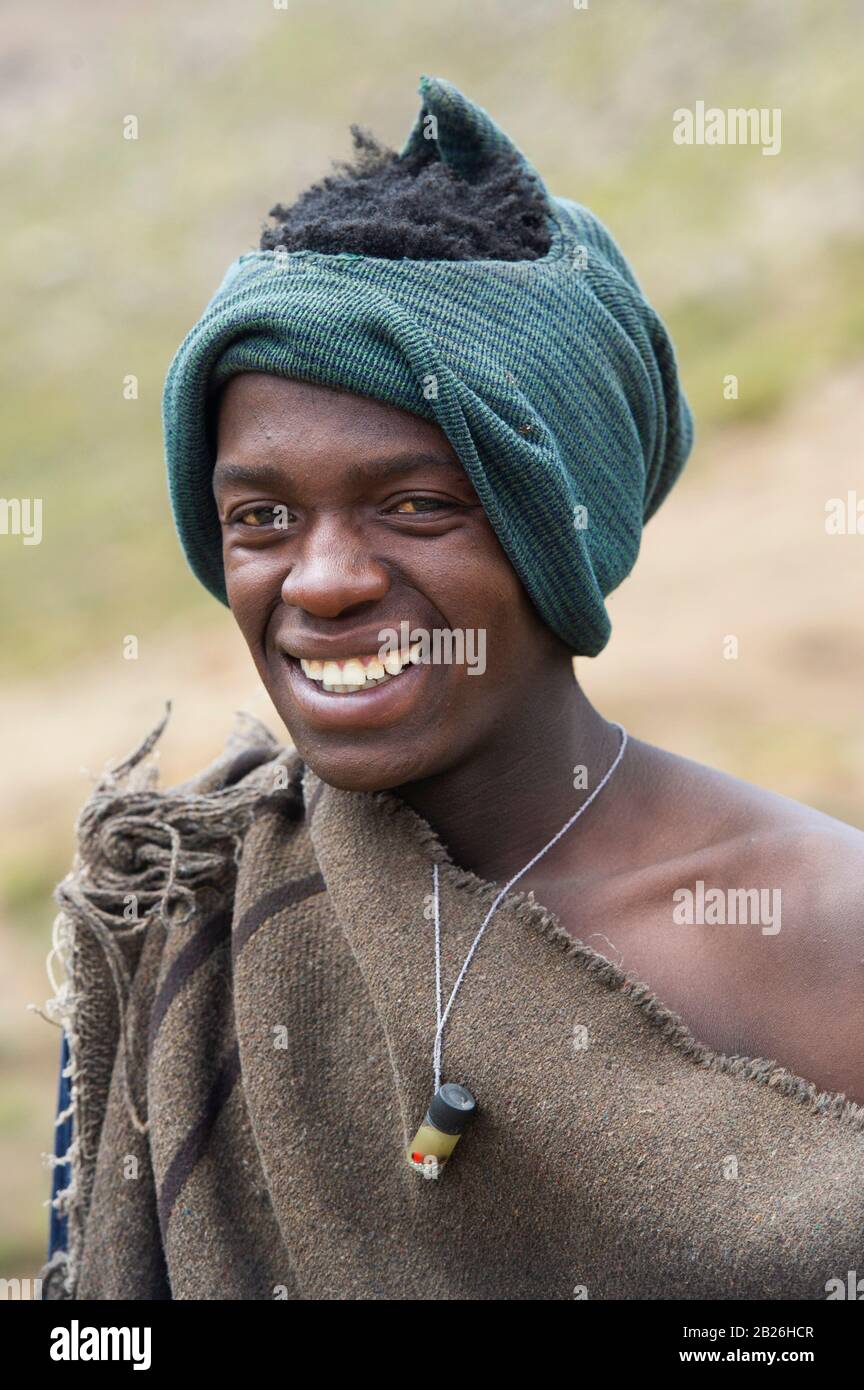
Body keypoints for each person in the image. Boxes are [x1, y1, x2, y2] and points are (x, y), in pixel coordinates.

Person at [41, 77, 864, 1302]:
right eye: (260, 516)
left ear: (561, 534)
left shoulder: (826, 939)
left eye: (417, 505)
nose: (320, 583)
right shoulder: (181, 918)